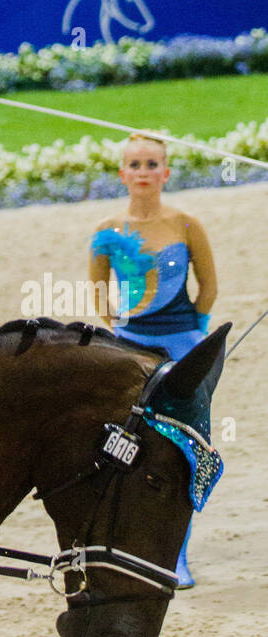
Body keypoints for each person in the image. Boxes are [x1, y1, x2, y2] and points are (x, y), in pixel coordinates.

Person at [89, 133, 217, 587]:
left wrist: (195, 335)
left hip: (183, 347)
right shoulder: (106, 231)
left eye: (151, 164)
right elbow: (100, 291)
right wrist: (118, 333)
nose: (142, 172)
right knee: (126, 444)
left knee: (182, 450)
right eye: (135, 164)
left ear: (165, 173)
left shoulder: (186, 224)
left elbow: (208, 287)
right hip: (130, 348)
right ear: (122, 174)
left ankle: (176, 554)